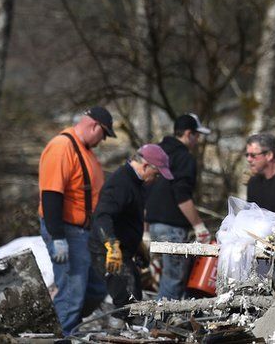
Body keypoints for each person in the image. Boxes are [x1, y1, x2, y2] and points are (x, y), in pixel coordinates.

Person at [38, 106, 115, 336]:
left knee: (96, 287)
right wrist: (58, 237)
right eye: (104, 134)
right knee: (72, 292)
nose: (102, 141)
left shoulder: (85, 150)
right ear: (95, 126)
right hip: (66, 231)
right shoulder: (62, 147)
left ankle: (64, 326)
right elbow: (51, 194)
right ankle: (63, 334)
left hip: (84, 232)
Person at [90, 144, 173, 308]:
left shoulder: (137, 182)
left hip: (125, 250)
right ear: (145, 165)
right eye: (156, 173)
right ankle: (123, 330)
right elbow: (102, 216)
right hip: (109, 252)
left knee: (134, 292)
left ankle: (128, 329)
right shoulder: (121, 183)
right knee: (127, 301)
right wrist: (112, 246)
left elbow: (128, 218)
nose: (156, 178)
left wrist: (138, 245)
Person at [145, 113, 213, 300]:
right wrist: (199, 226)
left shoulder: (156, 152)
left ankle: (165, 322)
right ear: (188, 134)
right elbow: (182, 195)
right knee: (174, 279)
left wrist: (145, 228)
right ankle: (156, 326)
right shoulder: (184, 158)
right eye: (197, 135)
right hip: (172, 228)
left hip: (153, 225)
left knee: (165, 278)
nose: (197, 140)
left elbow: (144, 189)